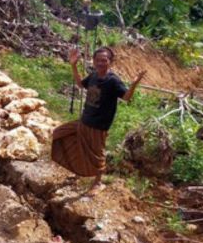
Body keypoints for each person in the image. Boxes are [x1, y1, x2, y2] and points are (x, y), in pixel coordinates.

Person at [51, 46, 146, 195]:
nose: (101, 63)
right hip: (85, 119)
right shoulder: (94, 75)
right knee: (59, 133)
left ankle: (98, 182)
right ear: (93, 61)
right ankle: (78, 170)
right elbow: (80, 84)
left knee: (97, 154)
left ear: (110, 62)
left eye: (104, 60)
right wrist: (73, 65)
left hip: (99, 125)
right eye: (98, 60)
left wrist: (134, 84)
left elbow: (126, 97)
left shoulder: (113, 81)